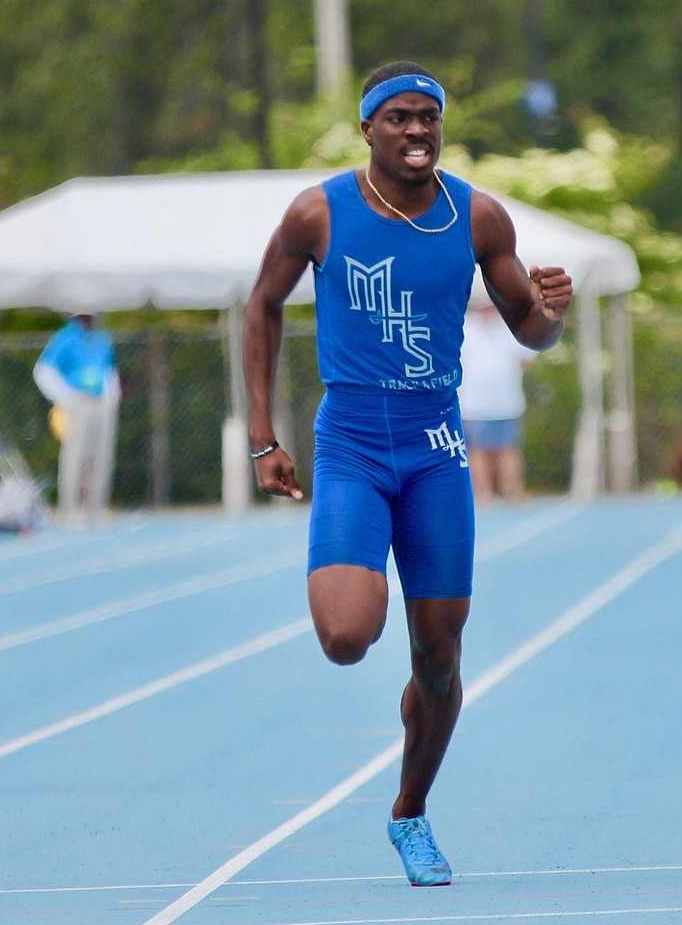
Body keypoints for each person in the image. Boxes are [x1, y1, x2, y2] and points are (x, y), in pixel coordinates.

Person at [244, 62, 573, 886]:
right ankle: (364, 571)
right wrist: (262, 437)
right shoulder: (320, 211)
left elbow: (528, 330)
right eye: (399, 117)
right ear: (368, 129)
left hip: (436, 447)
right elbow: (262, 306)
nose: (418, 130)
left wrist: (550, 313)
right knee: (348, 637)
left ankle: (410, 812)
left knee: (438, 656)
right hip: (352, 441)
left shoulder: (478, 216)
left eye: (429, 116)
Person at [34, 313, 121, 522]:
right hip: (78, 401)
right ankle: (70, 508)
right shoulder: (65, 338)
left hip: (101, 402)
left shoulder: (102, 338)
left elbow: (109, 370)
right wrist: (65, 397)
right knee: (76, 455)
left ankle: (96, 507)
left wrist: (112, 398)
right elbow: (43, 370)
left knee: (101, 456)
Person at [457, 301, 535, 502]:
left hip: (507, 402)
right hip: (474, 404)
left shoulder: (508, 327)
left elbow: (531, 351)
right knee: (478, 450)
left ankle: (513, 491)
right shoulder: (465, 328)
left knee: (508, 449)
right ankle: (483, 493)